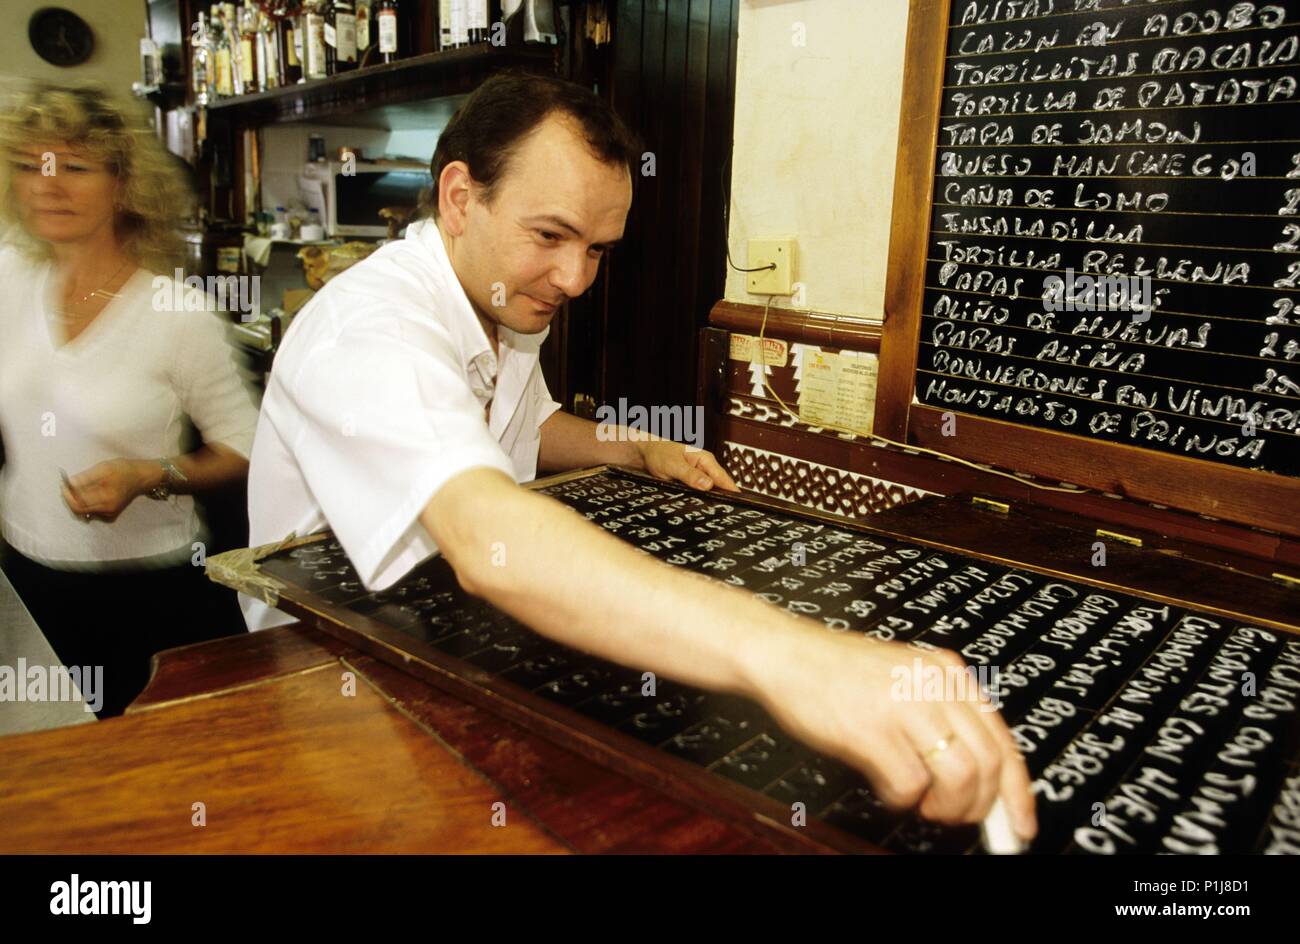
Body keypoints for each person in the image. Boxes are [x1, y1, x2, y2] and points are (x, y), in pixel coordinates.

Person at [243, 72, 1037, 841]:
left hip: (439, 642)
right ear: (460, 198)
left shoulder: (502, 300)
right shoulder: (369, 331)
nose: (575, 279)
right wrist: (797, 657)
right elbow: (491, 543)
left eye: (597, 249)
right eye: (550, 236)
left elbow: (522, 428)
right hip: (319, 681)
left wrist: (634, 447)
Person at [0, 85, 260, 717]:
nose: (48, 184)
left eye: (75, 167)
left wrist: (152, 475)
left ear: (124, 185)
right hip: (26, 580)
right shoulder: (9, 277)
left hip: (148, 596)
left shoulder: (177, 314)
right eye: (31, 165)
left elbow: (248, 448)